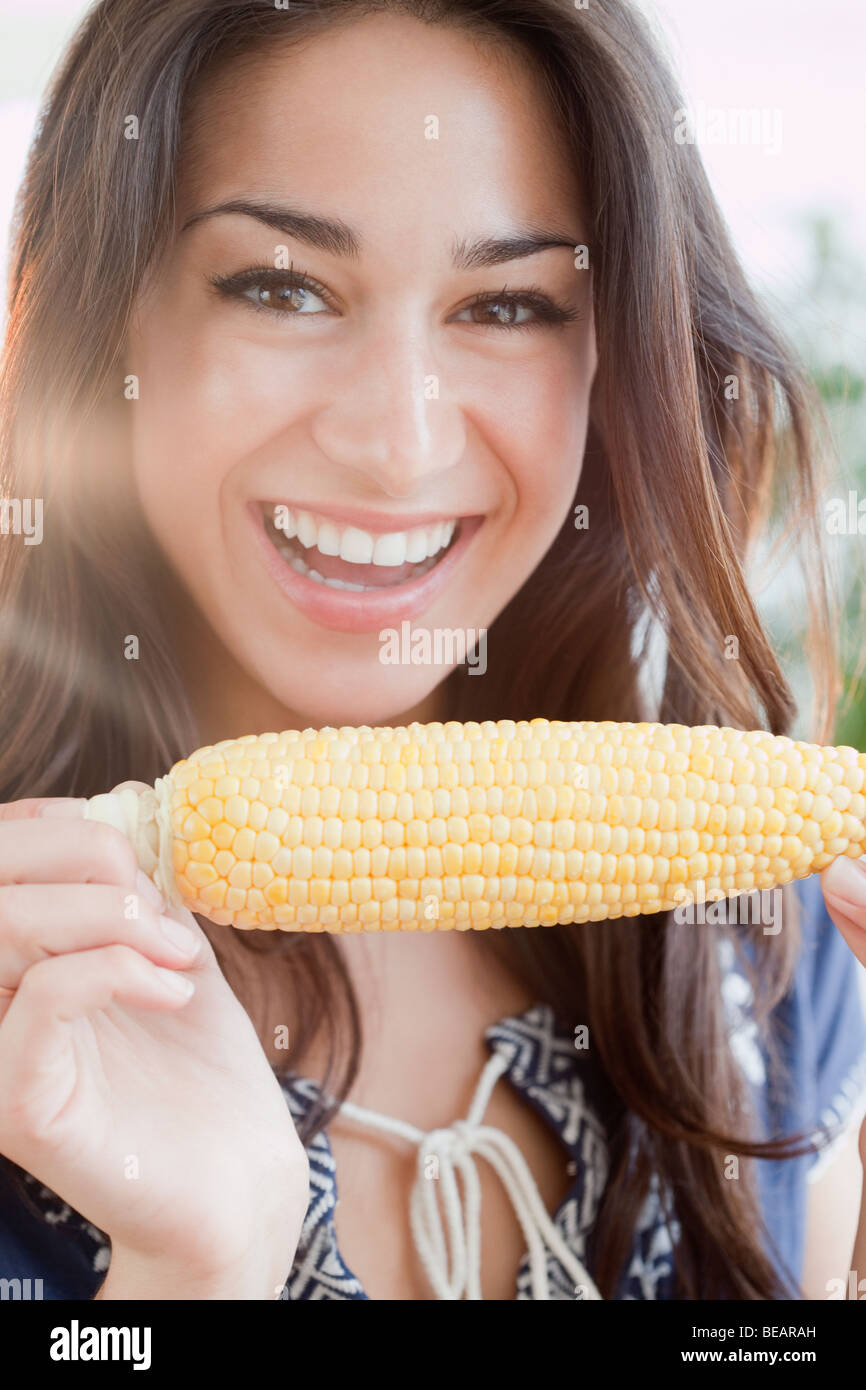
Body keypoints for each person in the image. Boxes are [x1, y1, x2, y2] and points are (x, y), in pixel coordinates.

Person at [0, 0, 864, 1302]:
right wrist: (192, 1271)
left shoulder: (771, 960)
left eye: (508, 304)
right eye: (281, 286)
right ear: (102, 320)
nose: (397, 444)